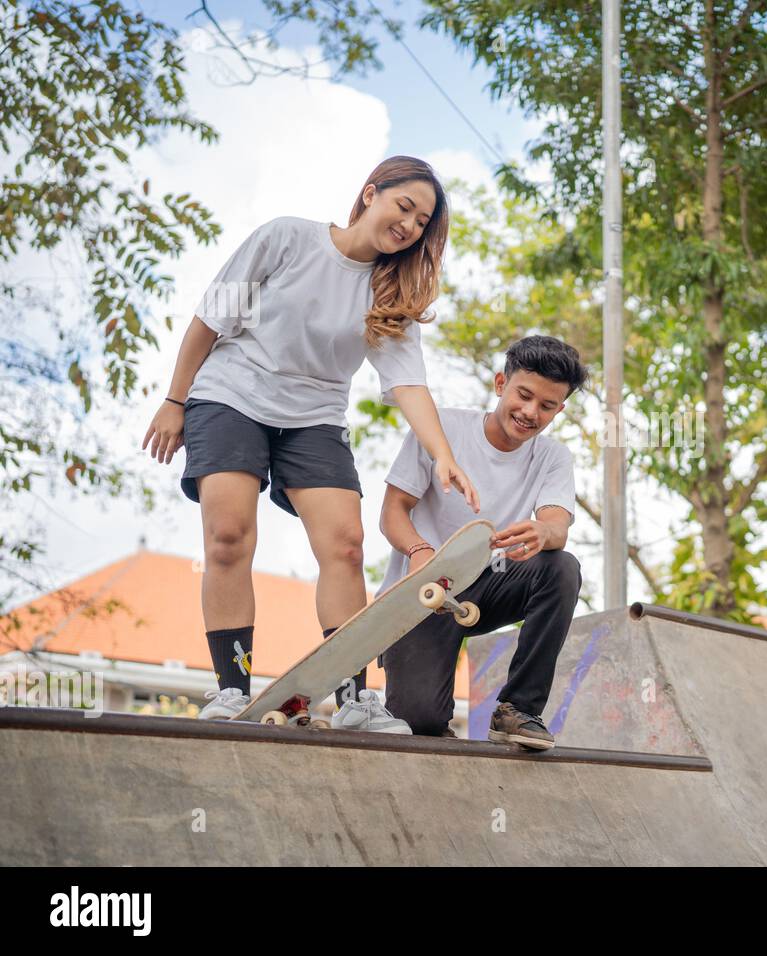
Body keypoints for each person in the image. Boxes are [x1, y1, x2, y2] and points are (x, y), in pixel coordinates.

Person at [141, 156, 479, 732]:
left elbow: (408, 385)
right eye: (404, 207)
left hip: (315, 418)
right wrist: (175, 399)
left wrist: (443, 454)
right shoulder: (287, 238)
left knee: (345, 545)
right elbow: (210, 319)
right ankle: (230, 689)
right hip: (231, 396)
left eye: (423, 222)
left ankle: (354, 700)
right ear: (371, 193)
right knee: (227, 537)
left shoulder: (389, 293)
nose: (410, 226)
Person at [377, 335, 586, 748]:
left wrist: (544, 532)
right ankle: (427, 713)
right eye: (523, 395)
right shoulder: (442, 429)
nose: (530, 412)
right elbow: (392, 513)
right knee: (419, 724)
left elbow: (556, 525)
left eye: (546, 406)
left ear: (559, 410)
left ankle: (518, 710)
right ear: (499, 384)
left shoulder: (552, 457)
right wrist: (420, 552)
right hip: (426, 587)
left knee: (561, 566)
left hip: (492, 583)